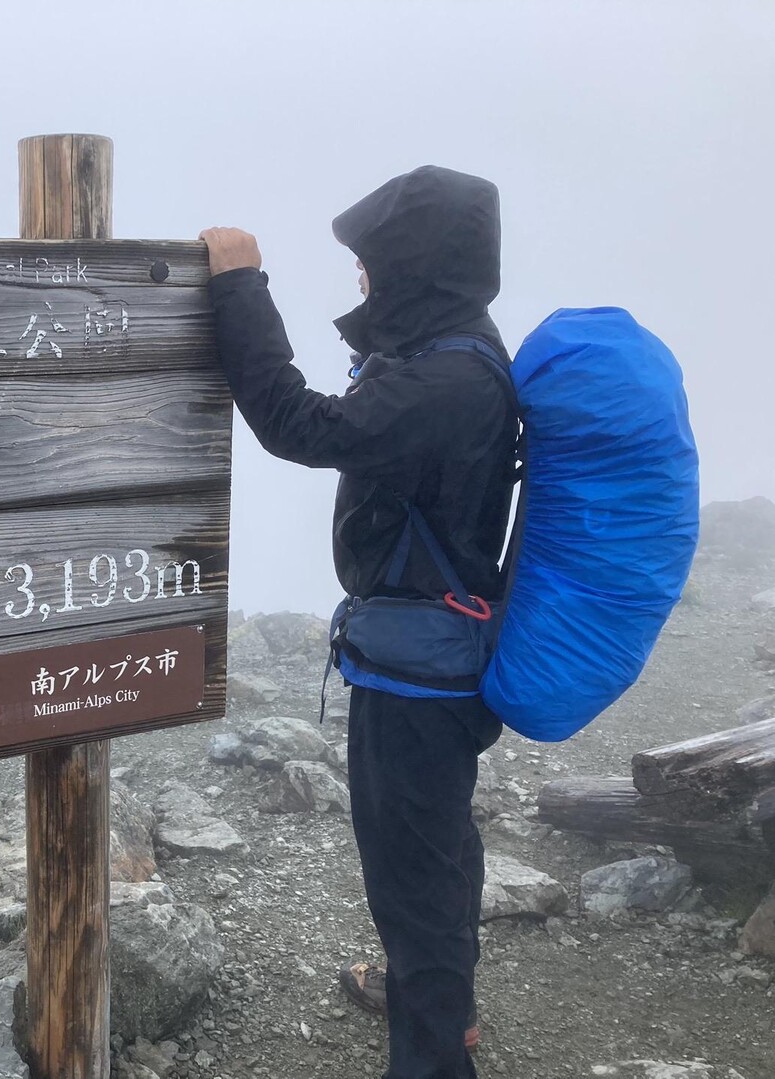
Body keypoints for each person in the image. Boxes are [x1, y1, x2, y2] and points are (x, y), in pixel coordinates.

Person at [200, 164, 518, 1079]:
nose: (361, 278)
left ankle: (431, 1051)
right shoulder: (456, 350)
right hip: (436, 652)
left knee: (411, 871)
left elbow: (295, 423)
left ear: (415, 266)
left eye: (372, 261)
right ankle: (437, 1000)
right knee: (439, 844)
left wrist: (238, 285)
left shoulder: (444, 383)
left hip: (415, 675)